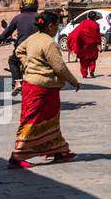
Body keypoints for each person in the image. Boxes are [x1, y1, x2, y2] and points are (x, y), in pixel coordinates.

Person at [8, 10, 80, 169]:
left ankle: (58, 150)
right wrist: (74, 81)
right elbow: (59, 67)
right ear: (50, 26)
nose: (57, 28)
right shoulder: (49, 43)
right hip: (43, 88)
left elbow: (19, 51)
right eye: (57, 25)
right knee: (33, 120)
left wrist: (27, 64)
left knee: (50, 120)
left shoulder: (32, 39)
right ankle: (17, 155)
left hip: (33, 85)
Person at [0, 0, 41, 96]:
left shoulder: (18, 18)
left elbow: (7, 32)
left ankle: (17, 83)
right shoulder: (40, 17)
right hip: (39, 46)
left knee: (12, 61)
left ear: (22, 6)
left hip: (23, 47)